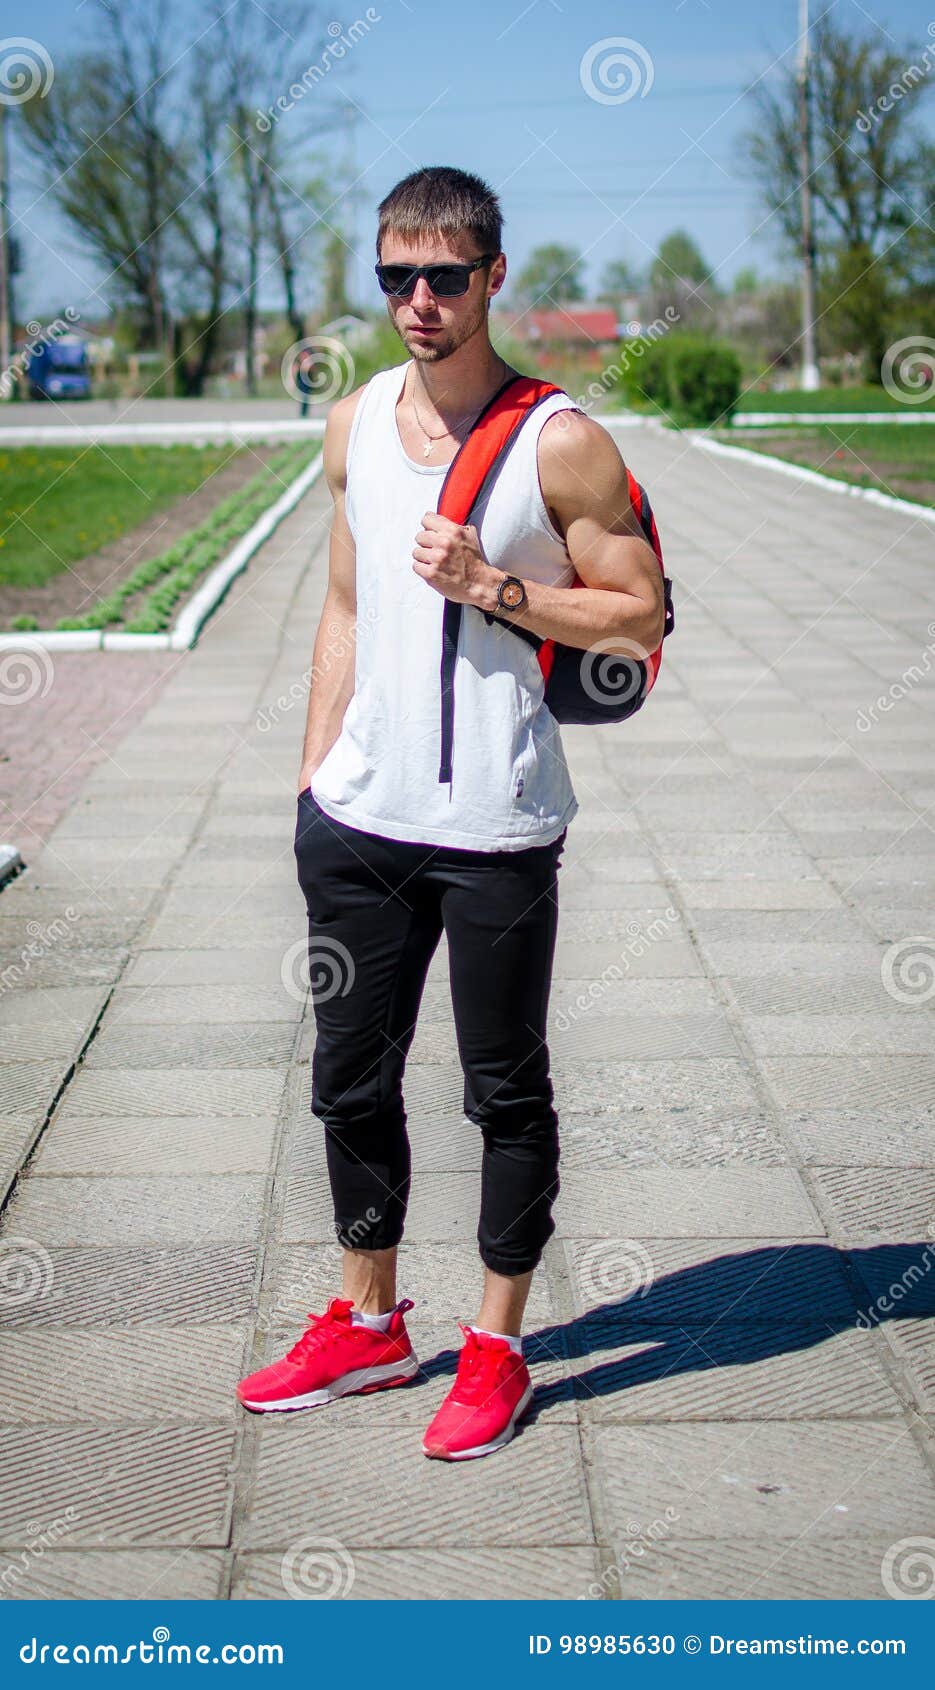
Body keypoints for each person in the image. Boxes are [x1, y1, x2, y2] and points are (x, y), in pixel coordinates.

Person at [237, 165, 665, 1460]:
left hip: (495, 823)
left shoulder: (560, 441)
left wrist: (495, 586)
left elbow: (638, 615)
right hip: (360, 822)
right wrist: (315, 776)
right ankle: (369, 1322)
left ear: (492, 276)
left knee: (504, 1093)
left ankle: (495, 1343)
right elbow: (346, 603)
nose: (418, 300)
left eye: (443, 276)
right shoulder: (355, 423)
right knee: (348, 1081)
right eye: (396, 277)